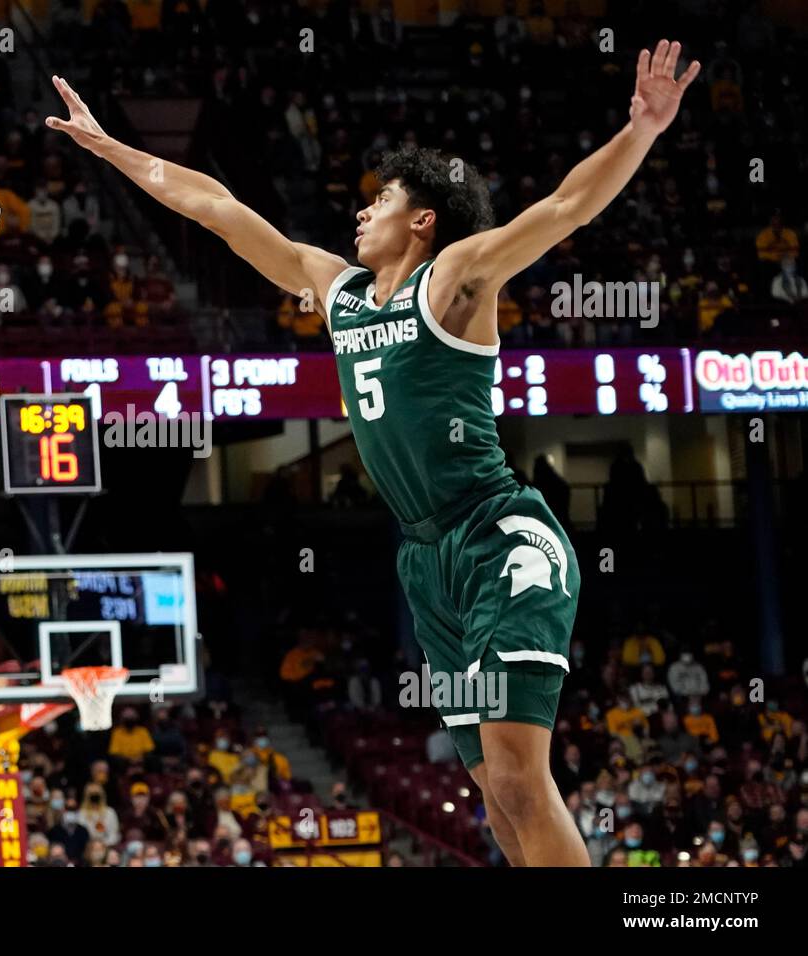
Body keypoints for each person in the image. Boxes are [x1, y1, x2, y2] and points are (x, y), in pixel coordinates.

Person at [48, 41, 702, 866]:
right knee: (497, 805)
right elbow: (215, 206)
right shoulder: (338, 291)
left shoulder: (456, 277)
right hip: (427, 561)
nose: (360, 213)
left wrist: (641, 129)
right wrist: (114, 151)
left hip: (500, 539)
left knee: (520, 780)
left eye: (380, 200)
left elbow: (566, 206)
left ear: (422, 221)